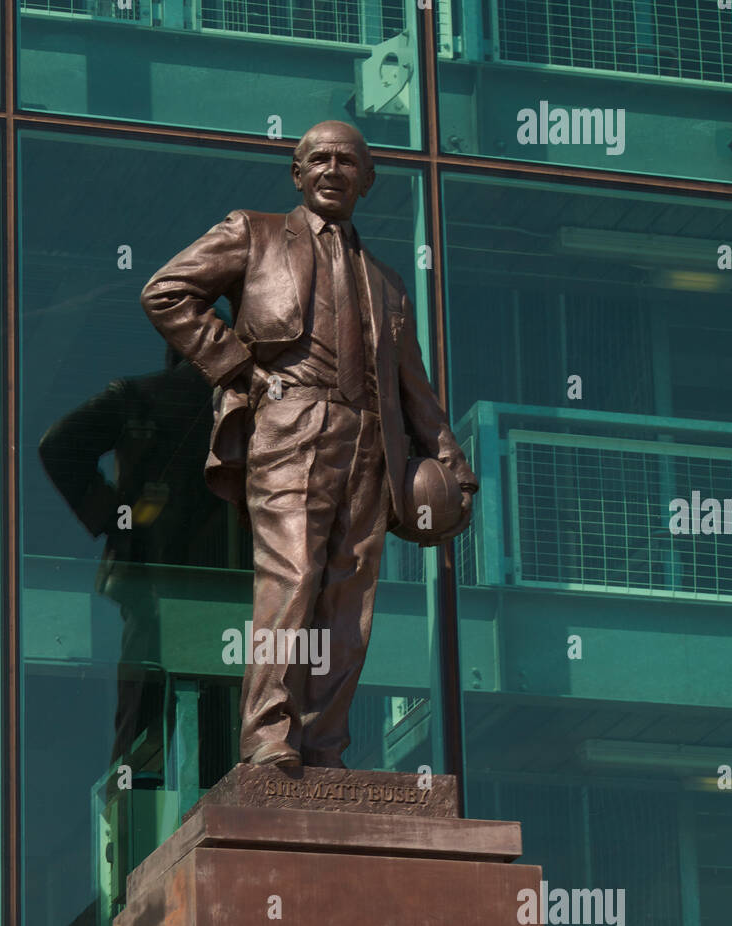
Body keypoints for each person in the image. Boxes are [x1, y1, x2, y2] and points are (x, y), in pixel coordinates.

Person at [140, 120, 478, 770]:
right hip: (290, 424)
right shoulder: (255, 232)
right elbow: (166, 292)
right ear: (297, 174)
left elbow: (416, 390)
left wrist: (450, 461)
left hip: (369, 446)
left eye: (347, 161)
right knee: (293, 576)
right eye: (317, 159)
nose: (331, 169)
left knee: (349, 600)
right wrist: (240, 367)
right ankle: (269, 740)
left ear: (367, 180)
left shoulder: (387, 284)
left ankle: (324, 748)